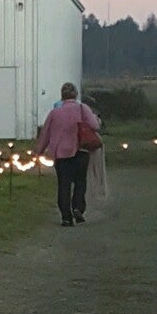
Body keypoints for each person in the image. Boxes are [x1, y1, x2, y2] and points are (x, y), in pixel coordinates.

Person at [35, 82, 103, 225]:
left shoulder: (54, 113)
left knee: (63, 184)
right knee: (80, 182)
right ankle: (78, 207)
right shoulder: (82, 108)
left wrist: (39, 151)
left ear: (62, 96)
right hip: (81, 150)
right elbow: (95, 126)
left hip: (61, 153)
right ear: (76, 94)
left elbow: (45, 133)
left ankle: (66, 216)